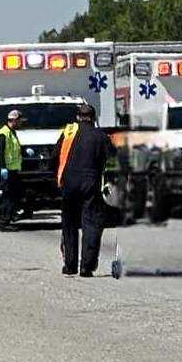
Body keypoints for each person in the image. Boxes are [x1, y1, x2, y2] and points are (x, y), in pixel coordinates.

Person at [55, 101, 116, 277]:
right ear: (94, 118)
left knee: (69, 225)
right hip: (91, 184)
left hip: (69, 184)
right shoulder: (101, 136)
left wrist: (57, 181)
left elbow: (55, 157)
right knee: (91, 224)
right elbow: (113, 161)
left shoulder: (68, 134)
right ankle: (86, 267)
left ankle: (70, 265)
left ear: (78, 117)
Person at [0, 109, 24, 230]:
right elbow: (0, 152)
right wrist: (3, 168)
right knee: (9, 197)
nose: (21, 123)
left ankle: (6, 218)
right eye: (19, 121)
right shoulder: (3, 133)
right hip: (4, 169)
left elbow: (14, 149)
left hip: (12, 169)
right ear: (14, 120)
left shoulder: (12, 132)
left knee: (14, 195)